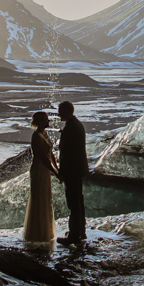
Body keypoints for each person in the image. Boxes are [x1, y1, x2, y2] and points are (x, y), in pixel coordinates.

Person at [23, 111, 59, 243]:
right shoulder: (37, 136)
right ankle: (38, 233)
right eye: (46, 119)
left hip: (44, 170)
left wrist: (57, 168)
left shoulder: (44, 133)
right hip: (39, 169)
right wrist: (54, 172)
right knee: (39, 198)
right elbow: (43, 157)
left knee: (45, 198)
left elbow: (50, 153)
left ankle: (45, 231)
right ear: (40, 121)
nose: (48, 121)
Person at [55, 100, 88, 244]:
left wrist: (62, 172)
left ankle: (74, 236)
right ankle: (80, 231)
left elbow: (67, 153)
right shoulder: (76, 124)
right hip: (77, 169)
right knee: (78, 200)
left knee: (73, 202)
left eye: (60, 112)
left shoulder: (71, 127)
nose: (58, 115)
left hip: (72, 170)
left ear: (66, 111)